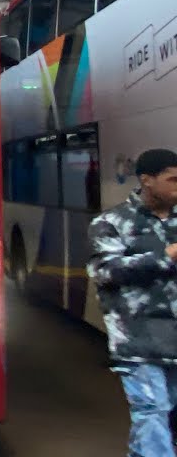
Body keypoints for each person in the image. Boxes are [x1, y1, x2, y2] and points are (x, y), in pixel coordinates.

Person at [88, 148, 177, 457]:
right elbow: (104, 272)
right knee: (152, 412)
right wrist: (165, 257)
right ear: (147, 181)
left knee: (164, 421)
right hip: (139, 341)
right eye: (173, 180)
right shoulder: (111, 222)